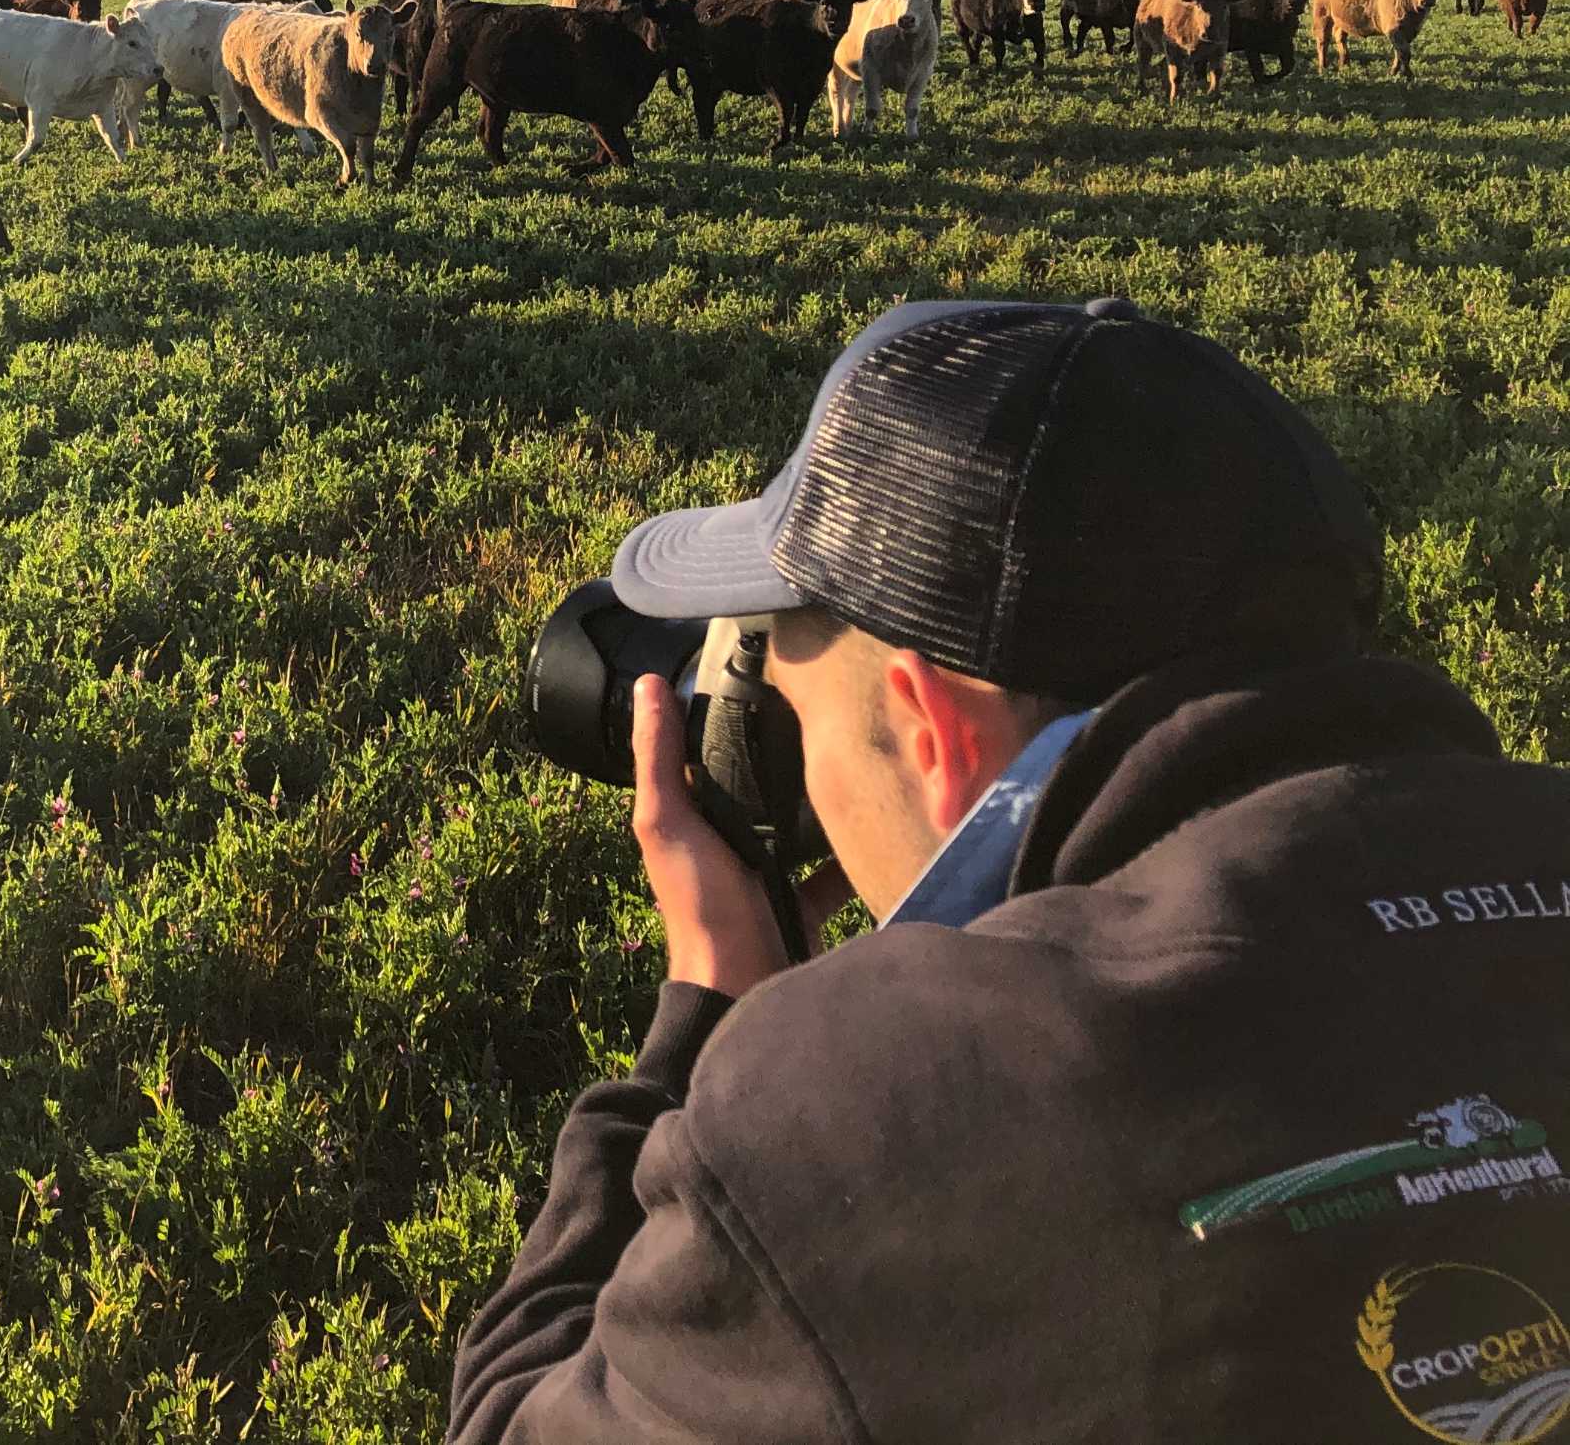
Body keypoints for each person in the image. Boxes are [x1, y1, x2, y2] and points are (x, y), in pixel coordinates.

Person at [448, 297, 1570, 1445]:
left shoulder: (851, 1117)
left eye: (784, 696)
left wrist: (710, 1010)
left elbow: (511, 1422)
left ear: (934, 732)